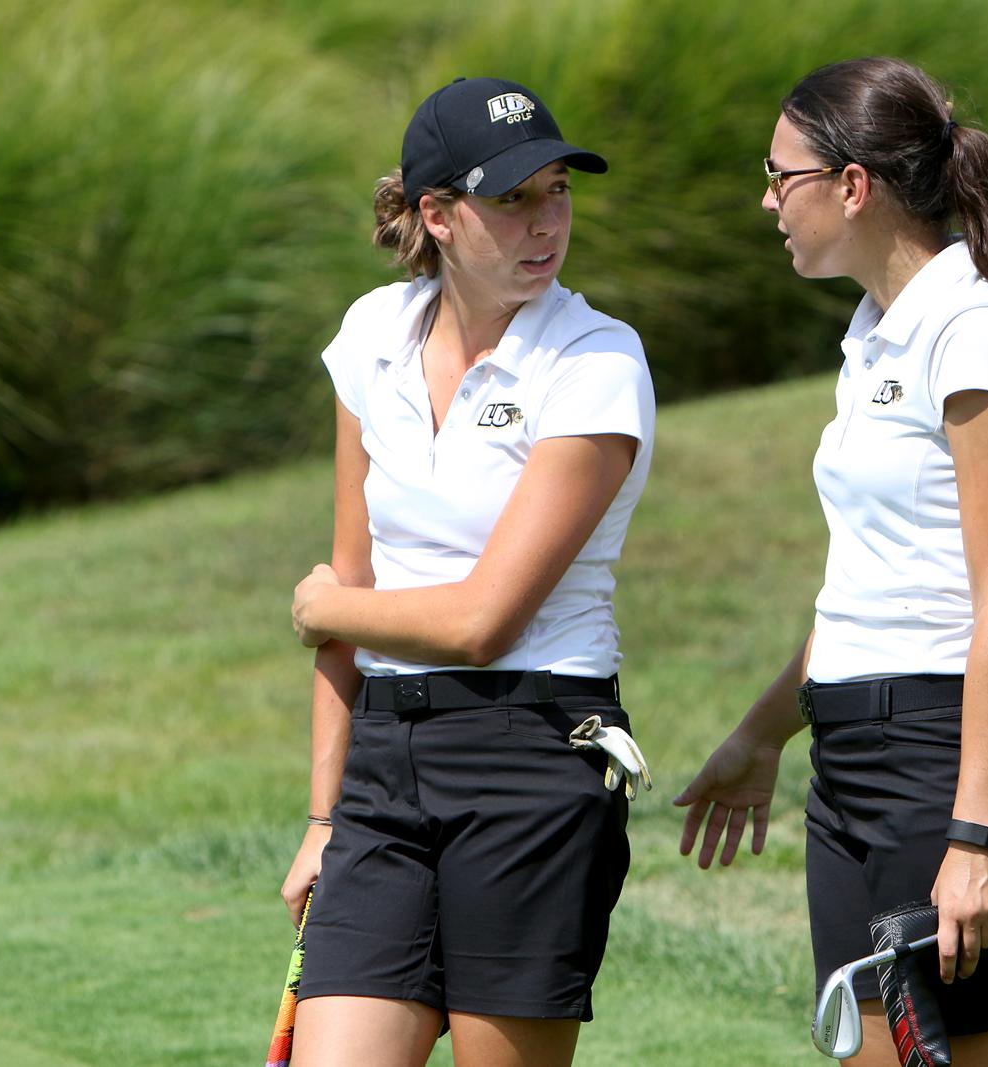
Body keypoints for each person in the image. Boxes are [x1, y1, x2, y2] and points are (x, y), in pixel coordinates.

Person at [674, 57, 988, 1067]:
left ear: (852, 185)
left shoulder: (978, 328)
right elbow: (867, 585)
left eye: (782, 178)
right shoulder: (873, 334)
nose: (766, 199)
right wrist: (761, 733)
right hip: (854, 765)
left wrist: (976, 835)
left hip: (947, 760)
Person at [279, 76, 655, 1067]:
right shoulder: (371, 336)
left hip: (532, 750)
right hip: (385, 763)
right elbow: (352, 582)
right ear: (437, 215)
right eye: (512, 199)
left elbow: (481, 619)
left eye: (558, 192)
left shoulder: (594, 362)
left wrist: (329, 604)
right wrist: (324, 815)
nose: (546, 222)